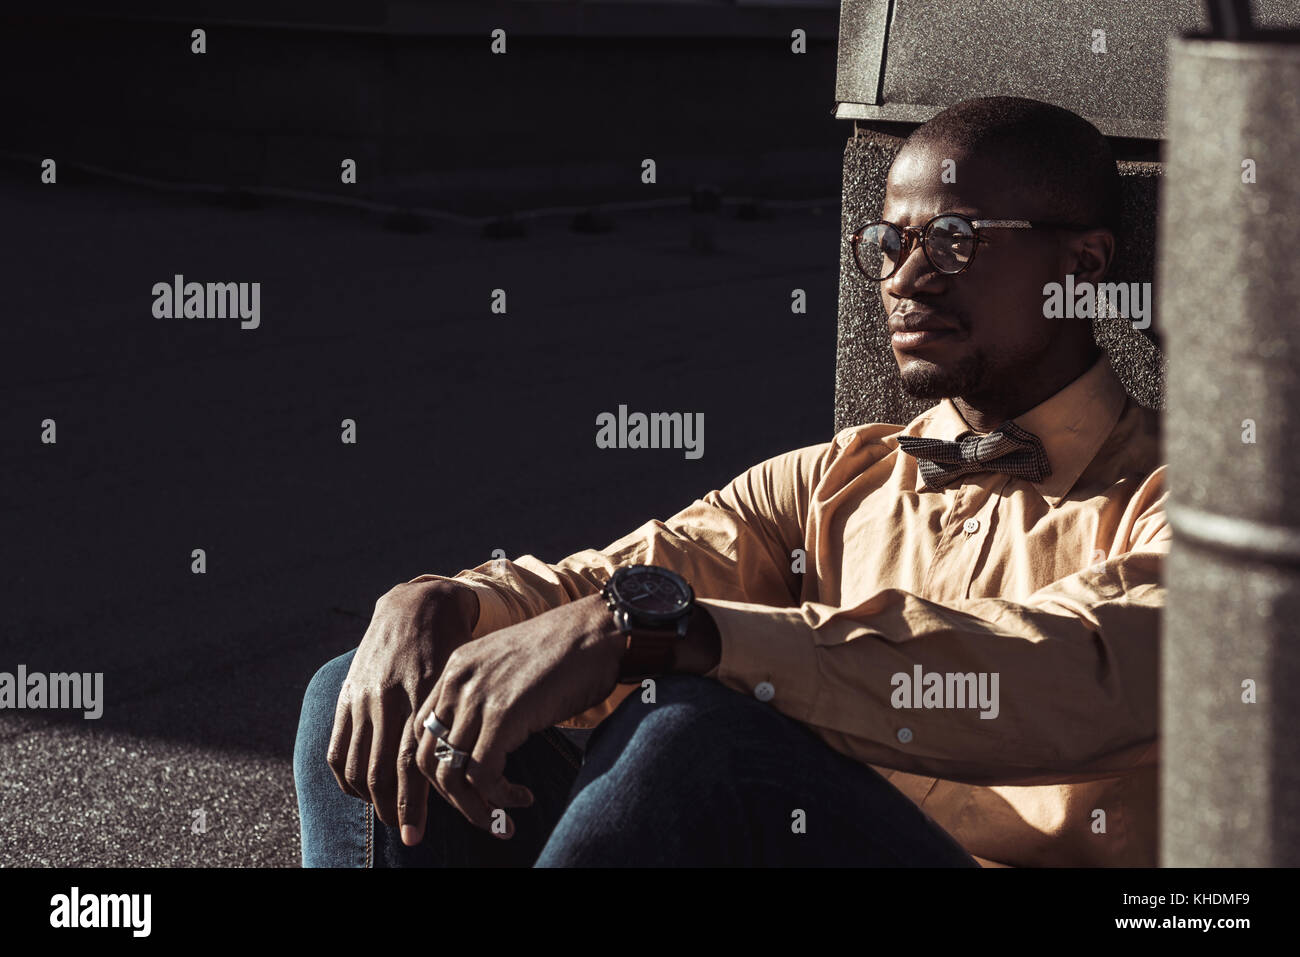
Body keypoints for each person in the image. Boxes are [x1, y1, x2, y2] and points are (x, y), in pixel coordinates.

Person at [293, 95, 1165, 867]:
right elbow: (631, 573)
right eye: (889, 241)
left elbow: (1073, 668)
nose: (904, 278)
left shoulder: (1196, 502)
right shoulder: (839, 476)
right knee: (374, 686)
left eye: (954, 239)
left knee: (692, 738)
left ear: (1082, 265)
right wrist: (443, 601)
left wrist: (683, 636)